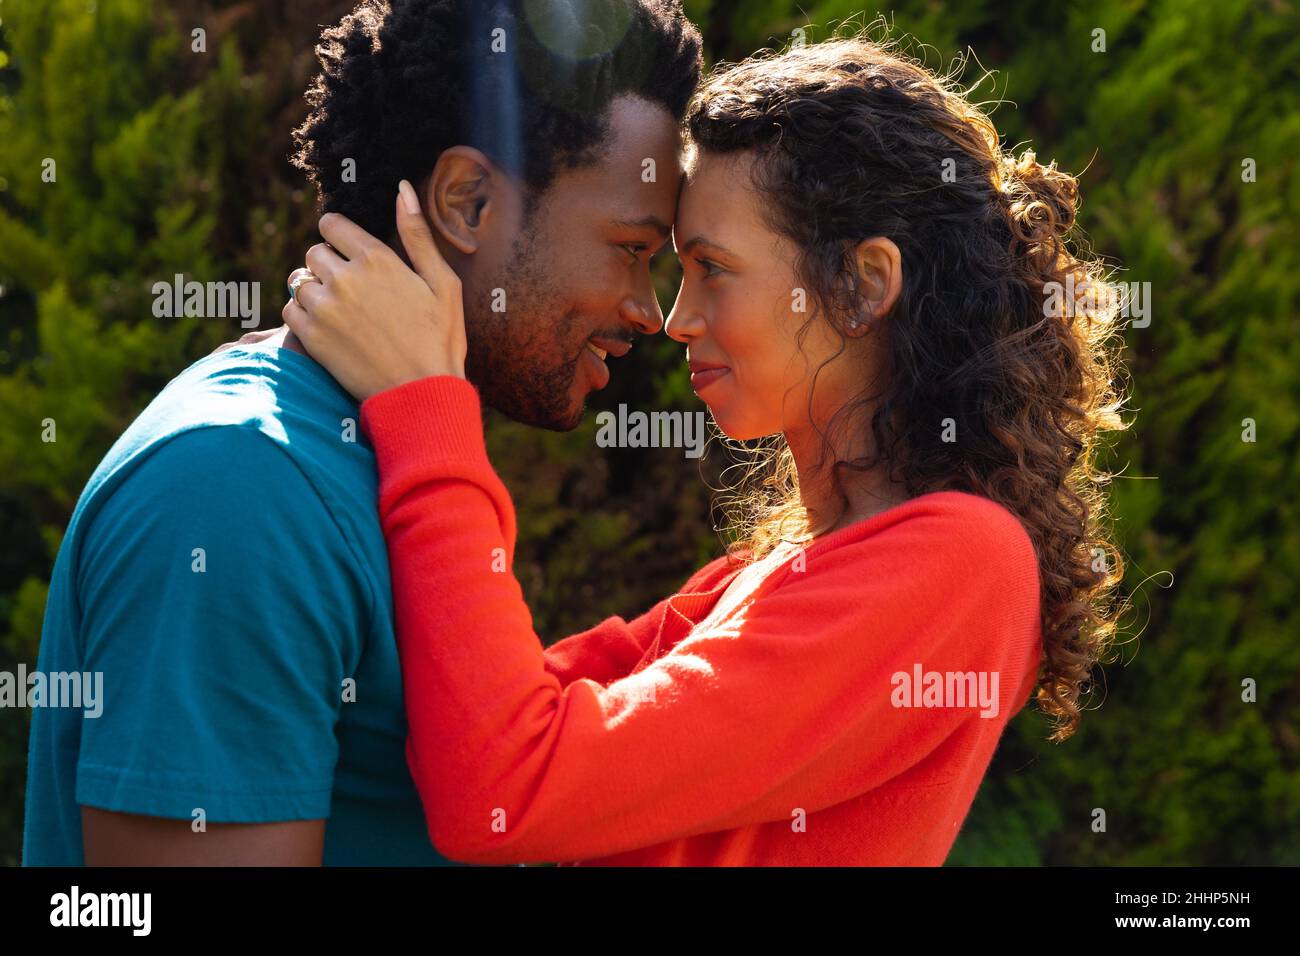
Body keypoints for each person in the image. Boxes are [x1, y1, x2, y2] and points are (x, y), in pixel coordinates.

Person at [282, 34, 1129, 865]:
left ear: (864, 284)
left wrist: (427, 408)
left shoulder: (963, 564)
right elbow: (470, 719)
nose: (676, 319)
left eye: (712, 268)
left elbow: (505, 793)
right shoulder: (765, 574)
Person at [22, 0, 702, 866]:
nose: (650, 311)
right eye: (632, 250)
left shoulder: (395, 451)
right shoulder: (239, 485)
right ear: (469, 201)